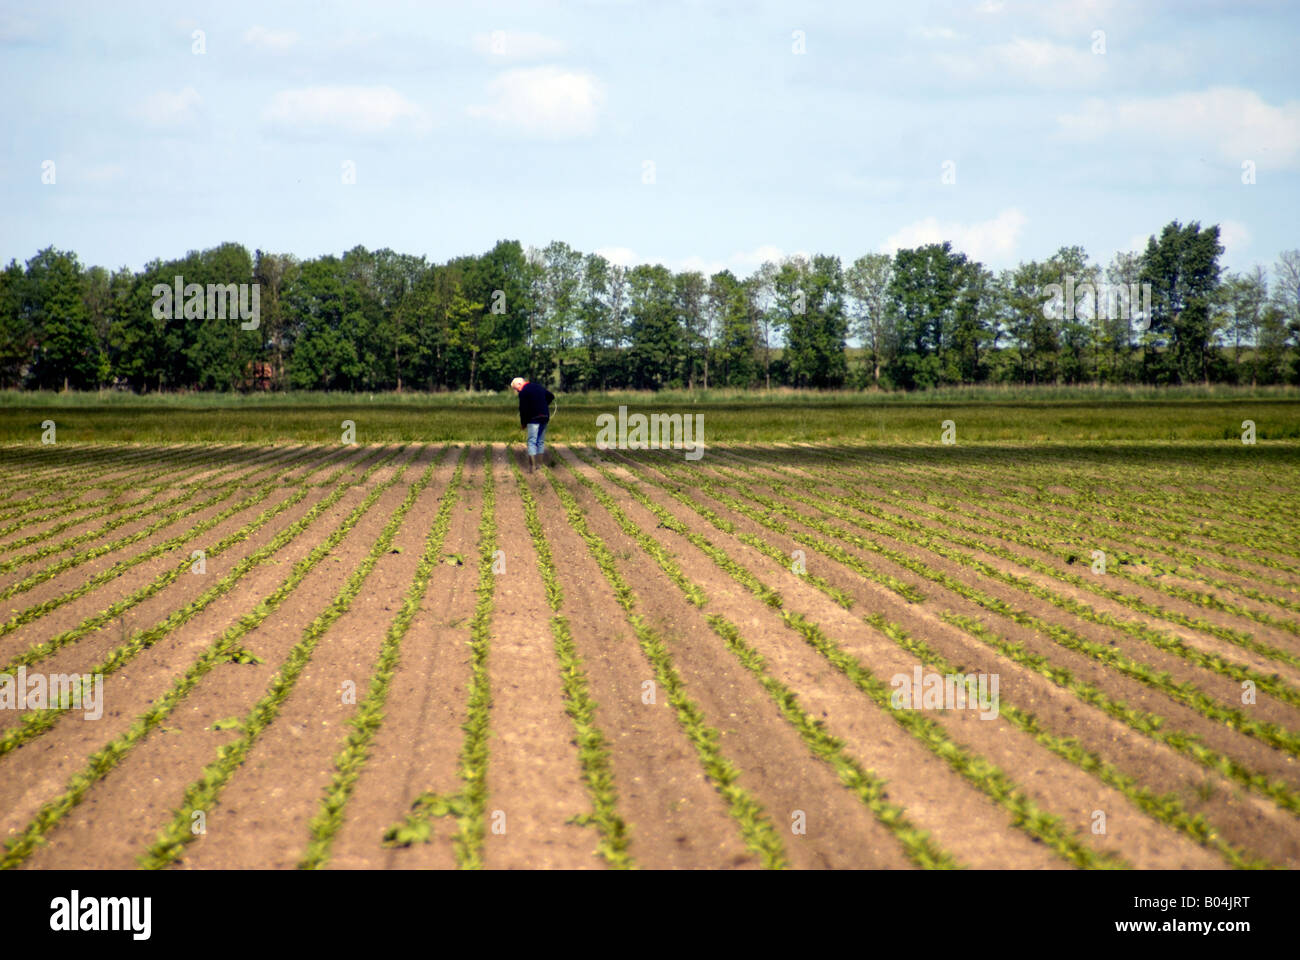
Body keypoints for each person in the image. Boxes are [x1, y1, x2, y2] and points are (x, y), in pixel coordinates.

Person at [511, 376, 555, 472]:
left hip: (533, 419)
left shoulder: (523, 392)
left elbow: (523, 410)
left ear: (519, 384)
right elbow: (551, 396)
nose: (517, 391)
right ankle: (539, 465)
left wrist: (523, 423)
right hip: (545, 416)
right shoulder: (538, 386)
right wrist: (543, 404)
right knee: (540, 441)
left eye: (516, 389)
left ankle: (532, 466)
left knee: (532, 441)